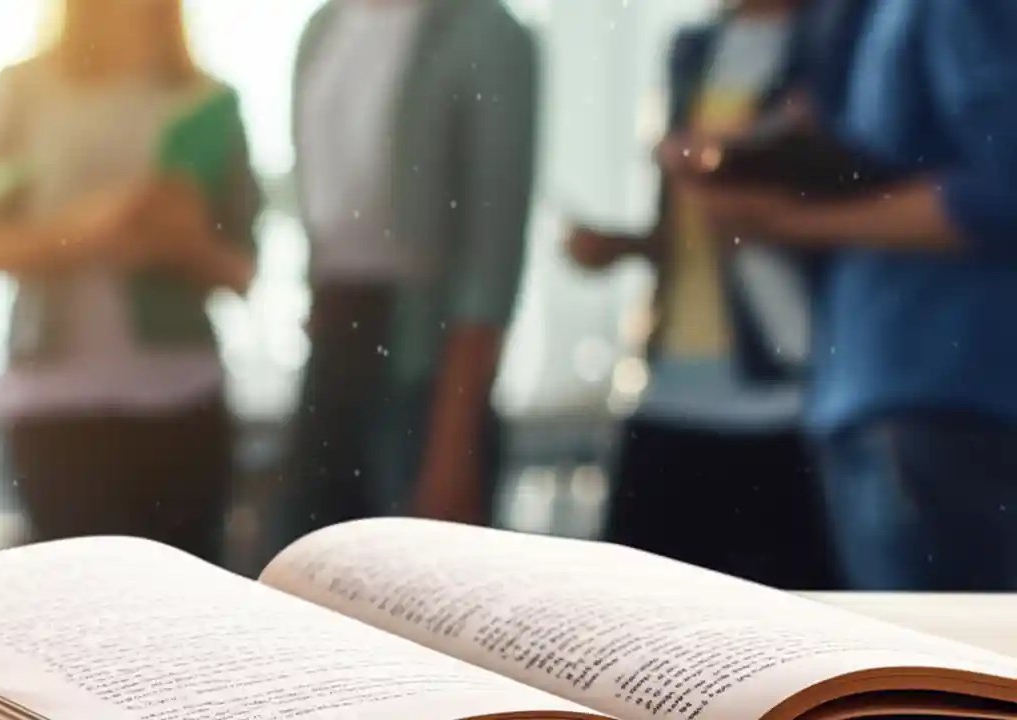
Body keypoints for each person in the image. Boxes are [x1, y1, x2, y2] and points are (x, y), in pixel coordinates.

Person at [668, 0, 1017, 590]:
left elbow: (1003, 194)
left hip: (940, 397)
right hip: (877, 391)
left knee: (940, 672)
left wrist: (786, 221)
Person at [0, 0, 261, 564]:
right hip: (54, 403)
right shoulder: (24, 91)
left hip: (182, 399)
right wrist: (88, 232)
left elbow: (242, 269)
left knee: (186, 613)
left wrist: (179, 241)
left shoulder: (210, 101)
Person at [567, 0, 834, 589]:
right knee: (637, 614)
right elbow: (686, 219)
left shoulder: (832, 42)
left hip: (783, 384)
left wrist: (762, 202)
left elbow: (840, 191)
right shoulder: (694, 46)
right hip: (667, 382)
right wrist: (622, 246)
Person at [278, 0, 537, 545]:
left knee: (414, 581)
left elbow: (491, 260)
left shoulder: (487, 33)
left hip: (427, 351)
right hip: (333, 333)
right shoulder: (324, 27)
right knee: (304, 568)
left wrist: (453, 449)